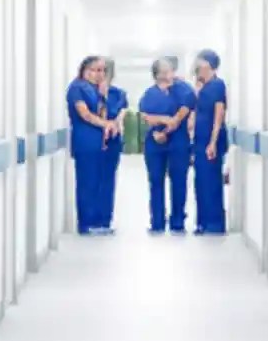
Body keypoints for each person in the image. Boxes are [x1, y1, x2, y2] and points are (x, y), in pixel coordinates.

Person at [138, 58, 196, 234]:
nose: (166, 75)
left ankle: (177, 220)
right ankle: (157, 221)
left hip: (178, 141)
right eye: (162, 71)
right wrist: (162, 123)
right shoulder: (149, 93)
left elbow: (183, 113)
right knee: (155, 180)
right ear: (155, 74)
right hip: (154, 143)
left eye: (169, 70)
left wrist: (166, 130)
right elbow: (145, 116)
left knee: (178, 180)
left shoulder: (184, 90)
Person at [66, 56, 117, 235]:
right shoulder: (77, 88)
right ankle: (86, 223)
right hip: (85, 143)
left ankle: (98, 222)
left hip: (98, 144)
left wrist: (103, 96)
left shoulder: (96, 90)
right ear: (86, 70)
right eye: (97, 70)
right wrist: (106, 125)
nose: (101, 74)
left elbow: (102, 113)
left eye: (103, 70)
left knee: (98, 183)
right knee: (87, 183)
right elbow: (85, 114)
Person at [191, 49, 228, 235]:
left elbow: (218, 114)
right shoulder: (203, 86)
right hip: (200, 140)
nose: (198, 67)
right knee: (201, 182)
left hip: (211, 141)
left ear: (209, 65)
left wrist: (213, 142)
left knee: (211, 181)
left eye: (201, 64)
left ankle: (214, 223)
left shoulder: (218, 85)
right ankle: (202, 221)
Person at [95, 60, 128, 233]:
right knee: (94, 180)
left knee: (108, 179)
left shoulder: (119, 94)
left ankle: (105, 220)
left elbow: (118, 114)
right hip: (93, 140)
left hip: (112, 140)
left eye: (105, 72)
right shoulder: (88, 92)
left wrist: (105, 96)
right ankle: (93, 219)